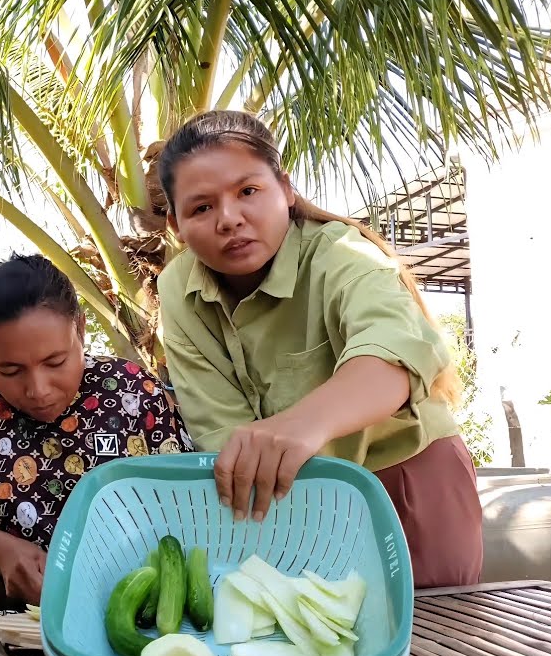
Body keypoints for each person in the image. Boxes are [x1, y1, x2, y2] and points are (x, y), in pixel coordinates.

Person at [154, 109, 483, 589]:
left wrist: (301, 424)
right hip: (288, 499)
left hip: (406, 477)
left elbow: (392, 356)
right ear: (175, 224)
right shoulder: (176, 289)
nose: (229, 219)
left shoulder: (342, 254)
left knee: (438, 629)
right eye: (201, 208)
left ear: (285, 189)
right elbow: (221, 431)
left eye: (248, 191)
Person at [0, 253, 193, 617]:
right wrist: (4, 552)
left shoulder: (132, 392)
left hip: (141, 608)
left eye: (55, 362)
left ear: (80, 328)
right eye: (10, 370)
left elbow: (184, 502)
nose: (39, 389)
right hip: (20, 614)